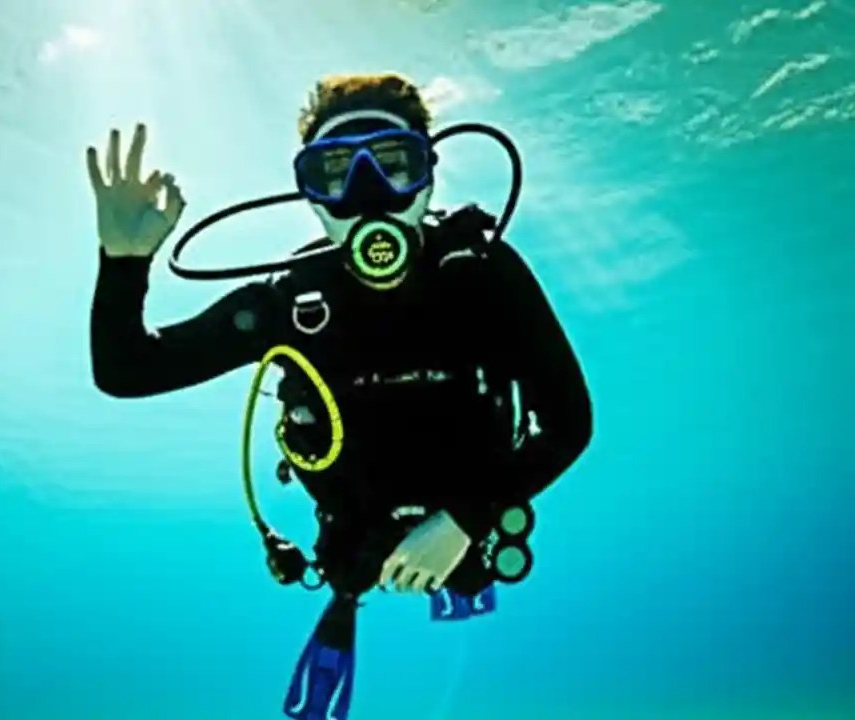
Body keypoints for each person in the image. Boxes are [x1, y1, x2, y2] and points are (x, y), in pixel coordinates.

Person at [87, 72, 593, 719]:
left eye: (393, 165)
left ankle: (437, 581)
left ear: (429, 176)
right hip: (357, 532)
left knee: (467, 572)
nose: (368, 197)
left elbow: (569, 423)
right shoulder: (292, 303)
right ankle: (347, 602)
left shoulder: (482, 275)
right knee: (353, 571)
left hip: (473, 522)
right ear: (311, 197)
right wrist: (122, 262)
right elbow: (128, 371)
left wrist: (465, 520)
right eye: (335, 174)